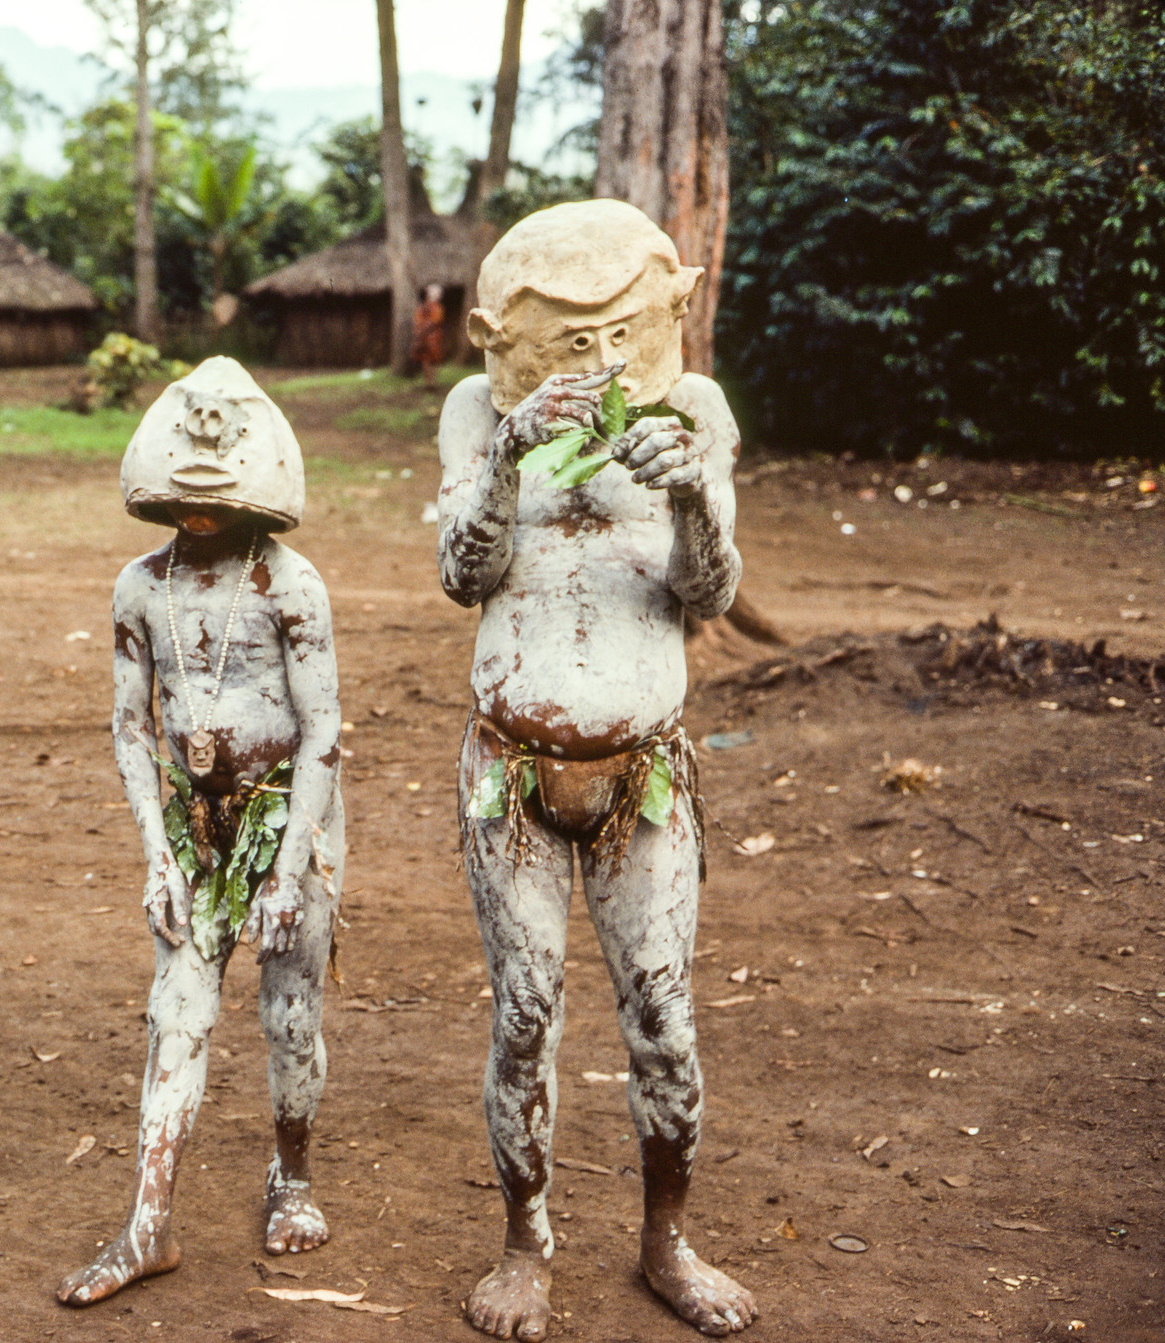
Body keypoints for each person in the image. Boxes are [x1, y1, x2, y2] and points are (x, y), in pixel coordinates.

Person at [436, 199, 756, 1341]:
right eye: (572, 342)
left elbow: (707, 592)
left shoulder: (695, 408)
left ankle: (665, 1237)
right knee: (523, 1013)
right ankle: (523, 1242)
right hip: (508, 770)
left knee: (662, 1017)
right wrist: (510, 453)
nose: (604, 364)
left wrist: (683, 488)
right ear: (505, 338)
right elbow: (461, 573)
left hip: (643, 772)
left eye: (621, 334)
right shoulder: (476, 408)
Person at [56, 357, 345, 1305]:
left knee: (289, 1015)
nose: (203, 506)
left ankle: (292, 1176)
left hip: (285, 819)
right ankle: (148, 1224)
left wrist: (291, 869)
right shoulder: (141, 589)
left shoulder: (289, 587)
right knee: (176, 1009)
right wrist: (157, 855)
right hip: (194, 825)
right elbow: (132, 727)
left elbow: (323, 731)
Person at [412, 282, 448, 385]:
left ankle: (433, 381)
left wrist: (423, 329)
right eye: (435, 293)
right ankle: (429, 382)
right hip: (424, 337)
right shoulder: (422, 307)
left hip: (434, 337)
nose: (437, 295)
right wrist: (420, 333)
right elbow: (417, 320)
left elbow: (437, 320)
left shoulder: (438, 308)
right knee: (425, 359)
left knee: (435, 359)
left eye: (438, 293)